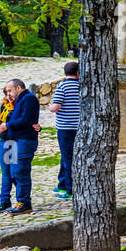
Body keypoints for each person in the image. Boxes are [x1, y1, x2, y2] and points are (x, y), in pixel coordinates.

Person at [0, 78, 39, 215]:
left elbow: (26, 120)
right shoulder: (16, 102)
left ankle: (24, 202)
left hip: (24, 141)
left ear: (18, 88)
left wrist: (6, 126)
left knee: (20, 171)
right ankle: (15, 201)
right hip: (12, 141)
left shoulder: (29, 98)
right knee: (12, 173)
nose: (8, 94)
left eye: (9, 90)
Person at [50, 60, 80, 199]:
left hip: (65, 128)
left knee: (68, 158)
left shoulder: (62, 86)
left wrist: (50, 108)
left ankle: (70, 190)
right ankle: (62, 184)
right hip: (78, 127)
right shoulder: (81, 86)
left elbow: (56, 106)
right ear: (78, 73)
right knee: (66, 156)